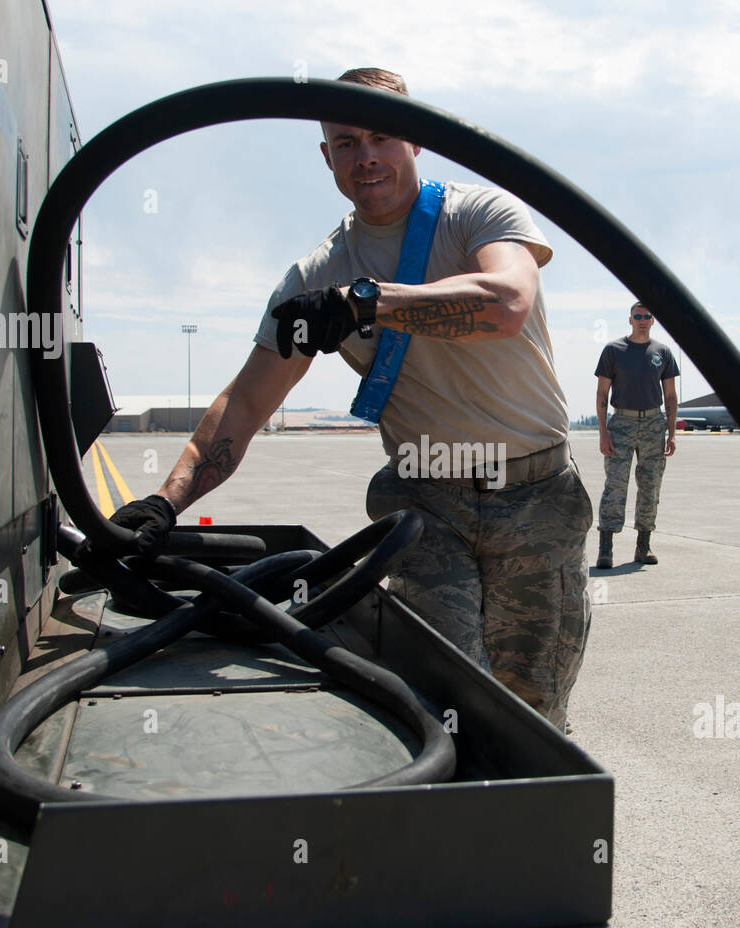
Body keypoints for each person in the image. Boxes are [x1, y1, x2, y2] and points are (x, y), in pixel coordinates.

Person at [108, 68, 591, 731]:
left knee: (534, 716)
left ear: (416, 141)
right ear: (326, 156)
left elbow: (506, 304)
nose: (365, 156)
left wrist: (369, 303)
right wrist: (166, 502)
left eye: (381, 136)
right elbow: (246, 405)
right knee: (447, 699)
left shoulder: (480, 215)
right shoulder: (318, 276)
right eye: (345, 143)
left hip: (538, 501)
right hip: (429, 502)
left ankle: (534, 825)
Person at [593, 302, 678, 569]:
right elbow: (601, 394)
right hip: (622, 423)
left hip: (654, 422)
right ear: (630, 320)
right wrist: (603, 433)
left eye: (647, 316)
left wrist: (672, 433)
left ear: (653, 320)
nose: (642, 320)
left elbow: (671, 396)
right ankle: (606, 548)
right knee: (616, 486)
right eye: (638, 316)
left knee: (650, 485)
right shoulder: (613, 351)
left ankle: (643, 545)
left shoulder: (662, 352)